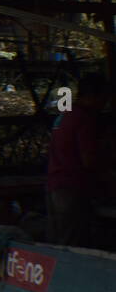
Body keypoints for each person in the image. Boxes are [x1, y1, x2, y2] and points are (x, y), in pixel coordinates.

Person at [46, 73, 111, 246]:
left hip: (55, 185)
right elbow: (89, 160)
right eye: (105, 98)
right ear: (94, 96)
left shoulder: (65, 115)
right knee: (73, 244)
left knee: (59, 243)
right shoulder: (84, 119)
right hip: (72, 188)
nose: (105, 104)